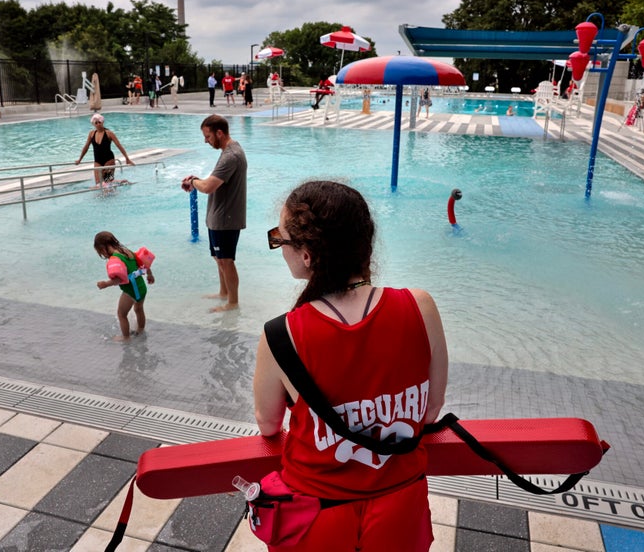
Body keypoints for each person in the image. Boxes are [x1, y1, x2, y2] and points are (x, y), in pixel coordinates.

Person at [254, 180, 449, 551]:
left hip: (316, 515)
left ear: (307, 254)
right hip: (400, 506)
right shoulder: (419, 307)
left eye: (281, 239)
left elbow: (267, 424)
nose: (280, 249)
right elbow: (431, 411)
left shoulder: (283, 335)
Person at [180, 115, 247, 312]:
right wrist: (197, 180)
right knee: (219, 259)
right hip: (220, 216)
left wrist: (193, 182)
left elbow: (208, 187)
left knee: (226, 260)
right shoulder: (230, 150)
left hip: (226, 218)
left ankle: (232, 302)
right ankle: (223, 292)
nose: (205, 141)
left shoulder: (231, 156)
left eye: (208, 136)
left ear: (219, 133)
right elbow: (214, 181)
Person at [94, 231, 155, 341]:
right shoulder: (128, 252)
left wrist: (105, 284)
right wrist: (150, 274)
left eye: (102, 253)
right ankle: (141, 330)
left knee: (121, 314)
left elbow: (119, 279)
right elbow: (143, 263)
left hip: (130, 290)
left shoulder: (116, 258)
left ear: (103, 248)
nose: (104, 256)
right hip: (141, 287)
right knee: (139, 309)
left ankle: (126, 337)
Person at [76, 114, 134, 187]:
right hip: (97, 160)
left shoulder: (109, 133)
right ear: (93, 124)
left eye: (99, 122)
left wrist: (127, 158)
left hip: (109, 159)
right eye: (96, 123)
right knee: (98, 183)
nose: (98, 124)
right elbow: (86, 147)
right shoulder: (91, 134)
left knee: (108, 182)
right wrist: (80, 159)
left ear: (102, 122)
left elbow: (119, 146)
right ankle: (123, 182)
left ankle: (115, 193)